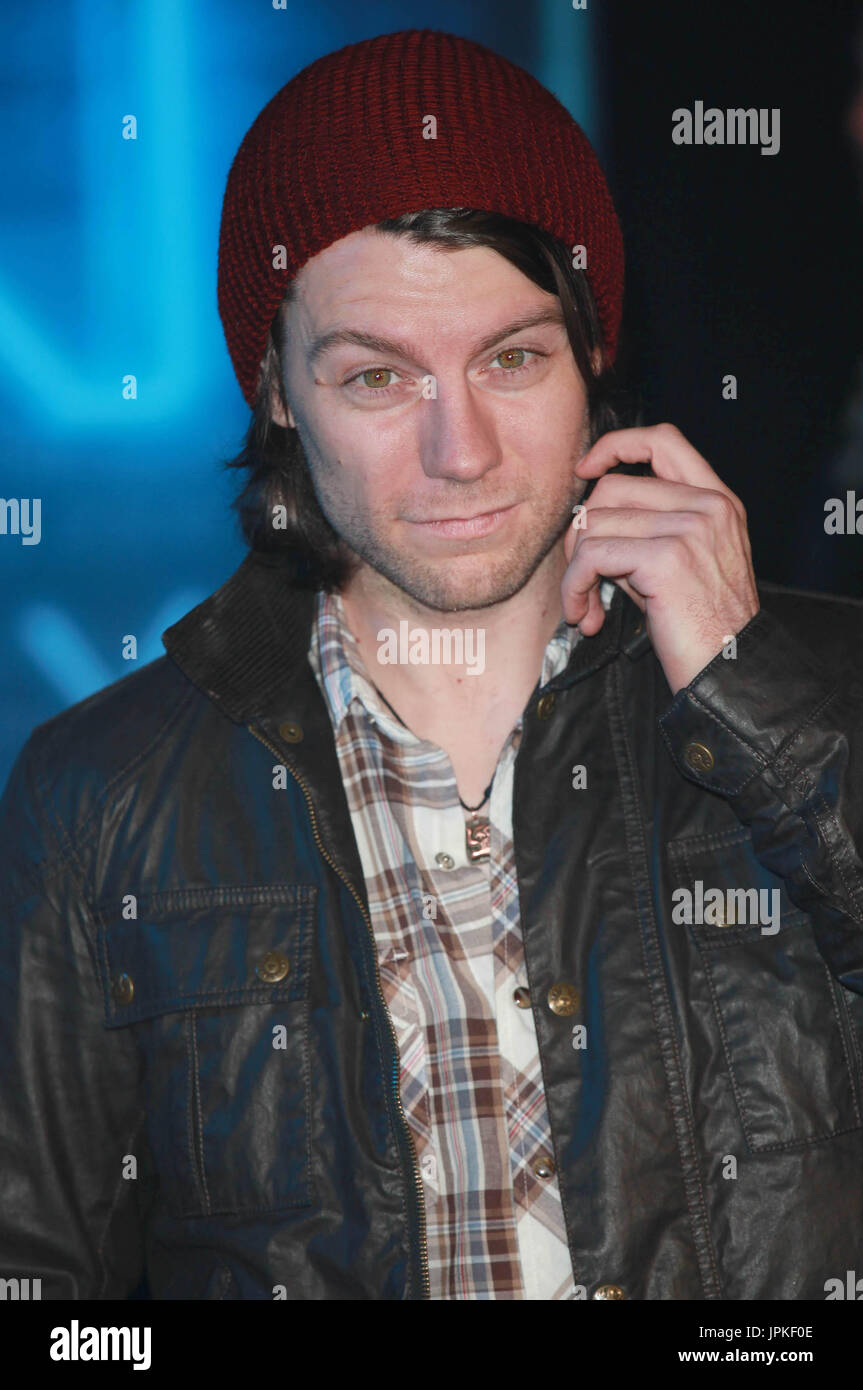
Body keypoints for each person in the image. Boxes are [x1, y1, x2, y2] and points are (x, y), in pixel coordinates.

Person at [1, 28, 862, 1302]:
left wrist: (758, 704)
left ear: (591, 355)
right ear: (275, 390)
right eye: (376, 377)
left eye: (510, 359)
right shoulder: (98, 797)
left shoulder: (811, 696)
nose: (457, 450)